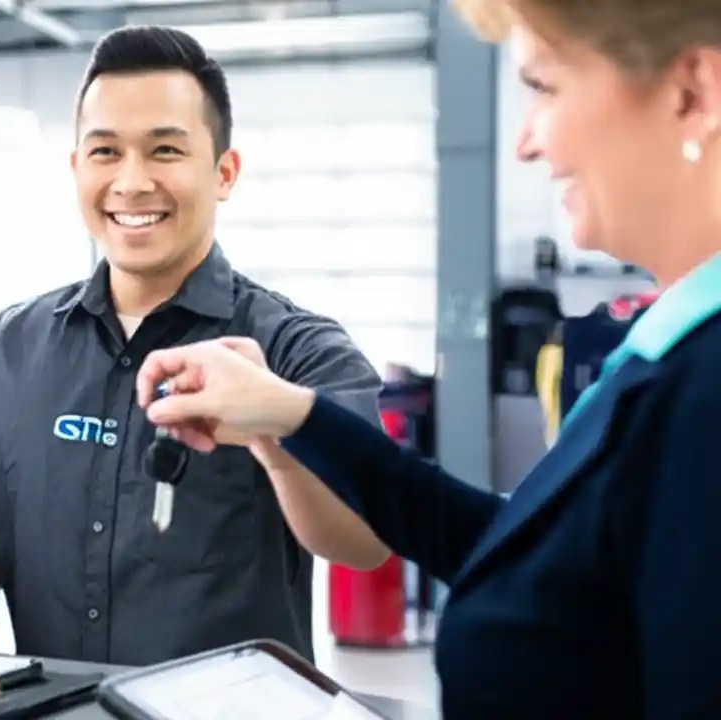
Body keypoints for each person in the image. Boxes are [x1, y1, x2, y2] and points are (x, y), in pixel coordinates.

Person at [133, 0, 721, 716]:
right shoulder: (664, 356)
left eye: (545, 87)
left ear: (694, 95)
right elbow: (529, 556)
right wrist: (288, 416)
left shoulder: (705, 399)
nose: (526, 144)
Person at [0, 25, 389, 668]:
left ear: (224, 171)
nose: (131, 182)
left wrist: (277, 426)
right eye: (105, 152)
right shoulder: (7, 351)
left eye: (164, 150)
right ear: (77, 168)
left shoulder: (298, 352)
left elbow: (367, 539)